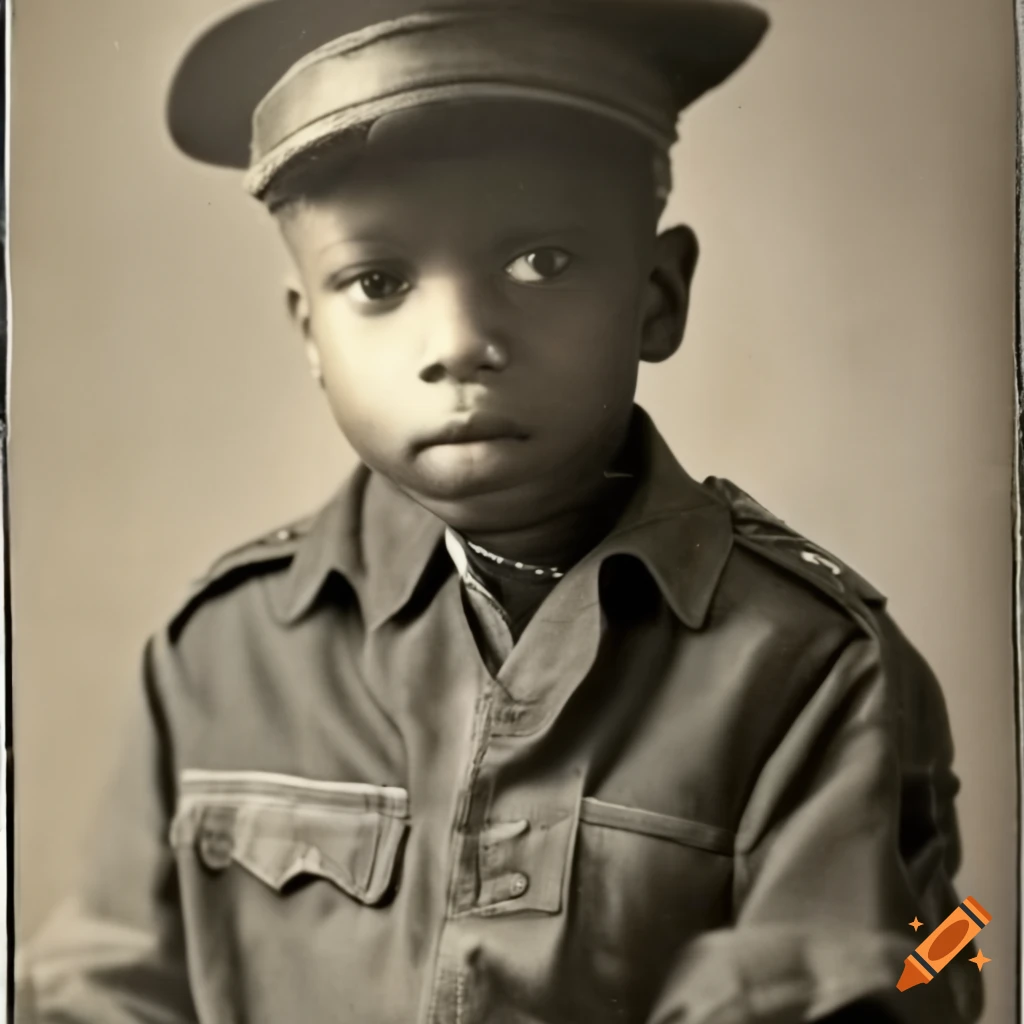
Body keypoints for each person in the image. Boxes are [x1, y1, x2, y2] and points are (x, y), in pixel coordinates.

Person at [16, 1, 984, 1022]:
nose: (460, 338)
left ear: (657, 294)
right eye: (378, 281)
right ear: (310, 332)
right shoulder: (217, 652)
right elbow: (101, 991)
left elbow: (878, 983)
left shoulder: (813, 670)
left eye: (541, 262)